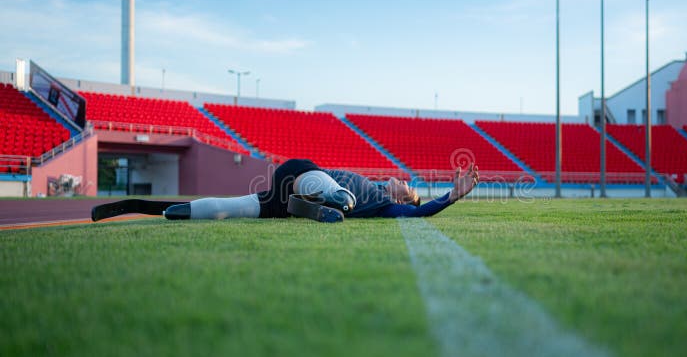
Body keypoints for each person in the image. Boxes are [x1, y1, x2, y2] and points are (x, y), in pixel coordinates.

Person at [91, 158, 479, 223]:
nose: (403, 182)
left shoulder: (384, 206)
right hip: (296, 183)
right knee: (315, 183)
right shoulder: (377, 188)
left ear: (400, 198)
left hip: (289, 188)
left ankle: (179, 212)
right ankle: (318, 203)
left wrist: (451, 196)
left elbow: (418, 212)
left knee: (234, 209)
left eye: (406, 188)